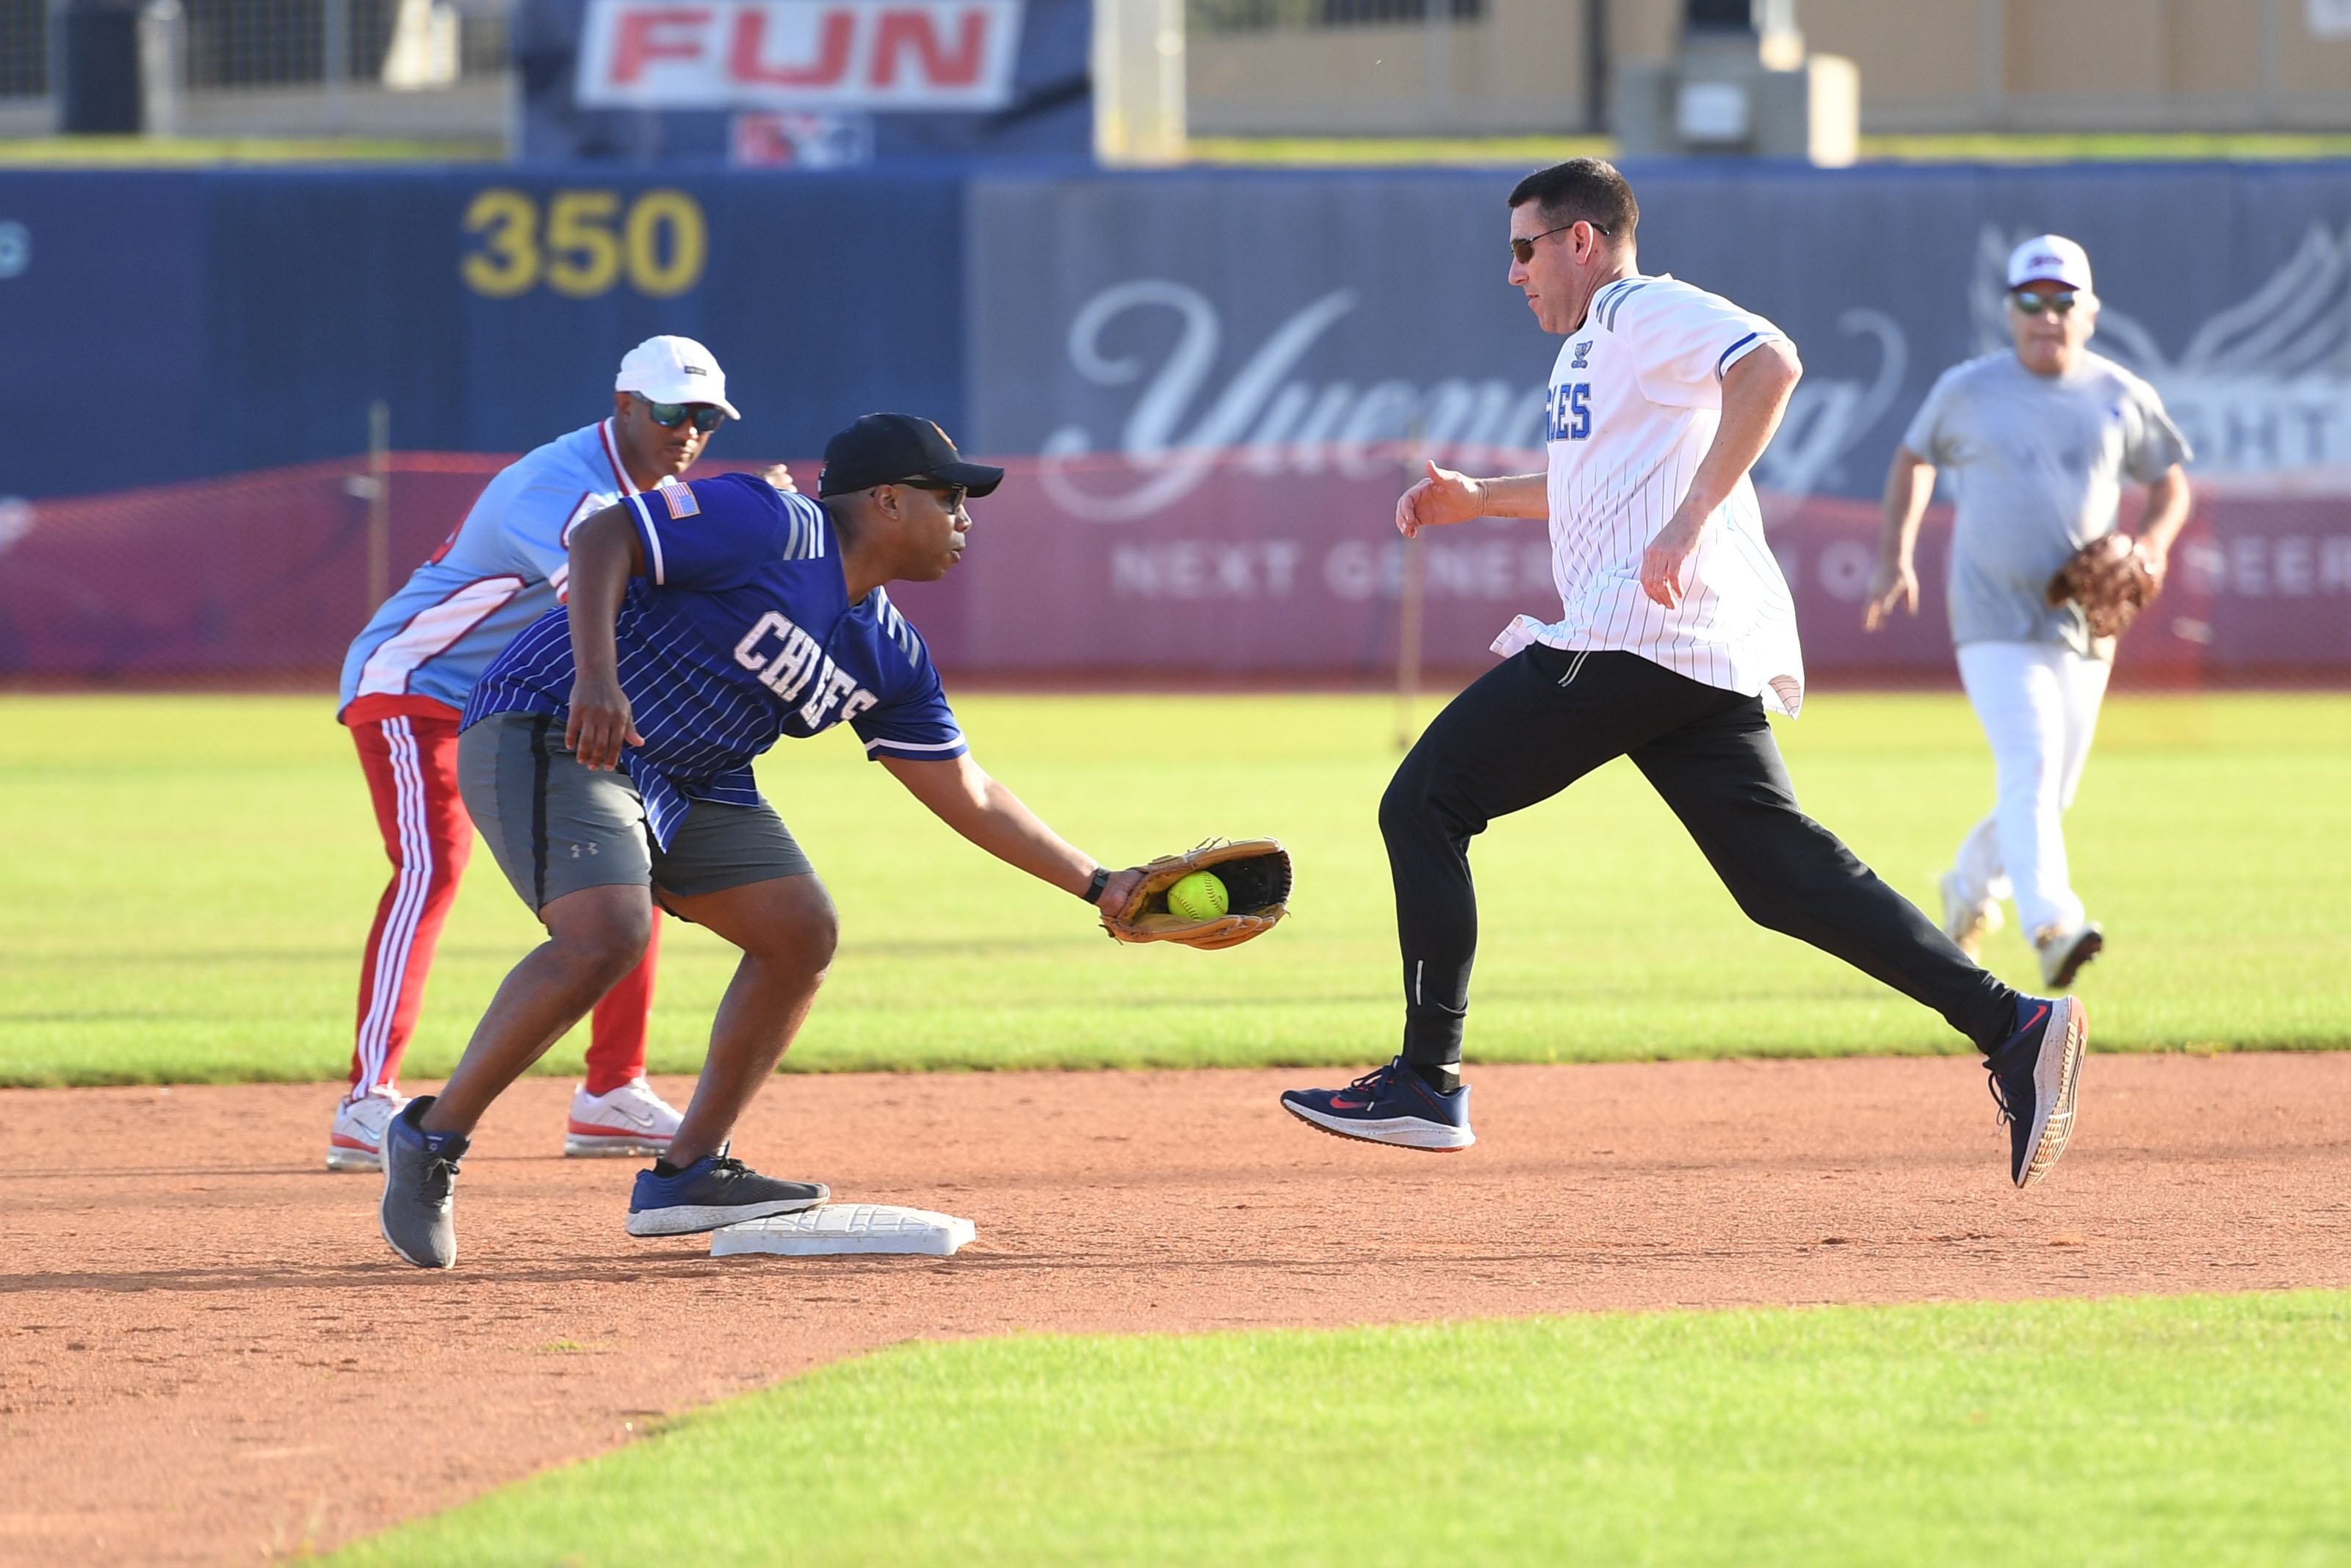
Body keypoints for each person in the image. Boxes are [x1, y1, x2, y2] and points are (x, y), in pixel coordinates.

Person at [1279, 159, 2088, 1190]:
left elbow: (1772, 364)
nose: (1513, 272)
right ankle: (2012, 1023)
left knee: (1425, 802)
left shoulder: (1634, 310)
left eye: (1524, 248)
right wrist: (1481, 498)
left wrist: (1688, 521)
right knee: (1777, 877)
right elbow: (1595, 484)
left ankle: (1426, 1081)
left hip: (1636, 631)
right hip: (1686, 646)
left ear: (1581, 240)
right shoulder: (1597, 344)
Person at [377, 413, 1153, 1268]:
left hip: (694, 773)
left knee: (799, 930)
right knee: (609, 932)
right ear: (888, 500)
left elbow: (966, 788)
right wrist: (596, 675)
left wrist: (1101, 883)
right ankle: (432, 1137)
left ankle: (686, 1171)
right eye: (951, 497)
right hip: (560, 720)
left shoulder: (886, 649)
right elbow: (604, 533)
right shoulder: (774, 522)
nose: (965, 518)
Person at [328, 336, 754, 1171]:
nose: (690, 432)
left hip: (521, 698)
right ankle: (365, 1100)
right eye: (673, 412)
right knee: (431, 862)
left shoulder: (649, 488)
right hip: (419, 683)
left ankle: (609, 1093)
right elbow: (609, 598)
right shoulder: (557, 486)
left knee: (627, 862)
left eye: (706, 417)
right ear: (626, 405)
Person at [1863, 235, 2191, 989]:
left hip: (2084, 620)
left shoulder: (2118, 392)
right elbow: (1913, 457)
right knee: (2031, 765)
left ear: (2090, 310)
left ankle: (1969, 885)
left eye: (2062, 301)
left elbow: (2169, 484)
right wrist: (1893, 555)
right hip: (1989, 613)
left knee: (2048, 793)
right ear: (2009, 311)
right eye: (2031, 302)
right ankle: (2052, 924)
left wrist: (2152, 547)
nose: (2047, 315)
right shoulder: (1968, 389)